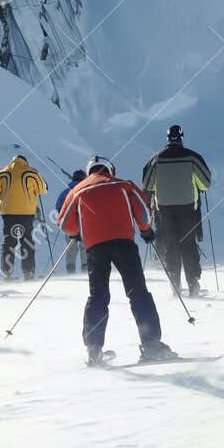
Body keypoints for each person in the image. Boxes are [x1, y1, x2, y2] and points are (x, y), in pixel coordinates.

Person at [59, 156, 175, 365]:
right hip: (124, 244)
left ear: (89, 172)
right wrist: (146, 232)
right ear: (109, 170)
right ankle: (151, 345)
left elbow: (65, 224)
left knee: (98, 297)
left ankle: (94, 350)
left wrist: (78, 231)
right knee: (137, 292)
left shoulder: (77, 190)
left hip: (95, 248)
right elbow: (144, 213)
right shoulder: (123, 185)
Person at [142, 125, 213, 296]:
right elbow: (206, 182)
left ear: (167, 138)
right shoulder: (192, 157)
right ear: (182, 137)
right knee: (189, 244)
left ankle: (175, 283)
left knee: (170, 245)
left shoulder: (156, 159)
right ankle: (193, 284)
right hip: (188, 207)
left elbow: (147, 184)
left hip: (164, 209)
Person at [0, 154, 49, 281]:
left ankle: (6, 273)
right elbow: (43, 190)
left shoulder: (3, 172)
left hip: (8, 213)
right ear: (25, 162)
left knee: (8, 242)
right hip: (26, 214)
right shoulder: (31, 173)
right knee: (26, 241)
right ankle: (28, 272)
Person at [54, 169, 87, 273]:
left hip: (68, 223)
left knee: (71, 247)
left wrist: (63, 215)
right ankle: (86, 269)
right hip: (83, 222)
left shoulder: (66, 191)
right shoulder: (85, 189)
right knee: (84, 246)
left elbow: (58, 205)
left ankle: (70, 270)